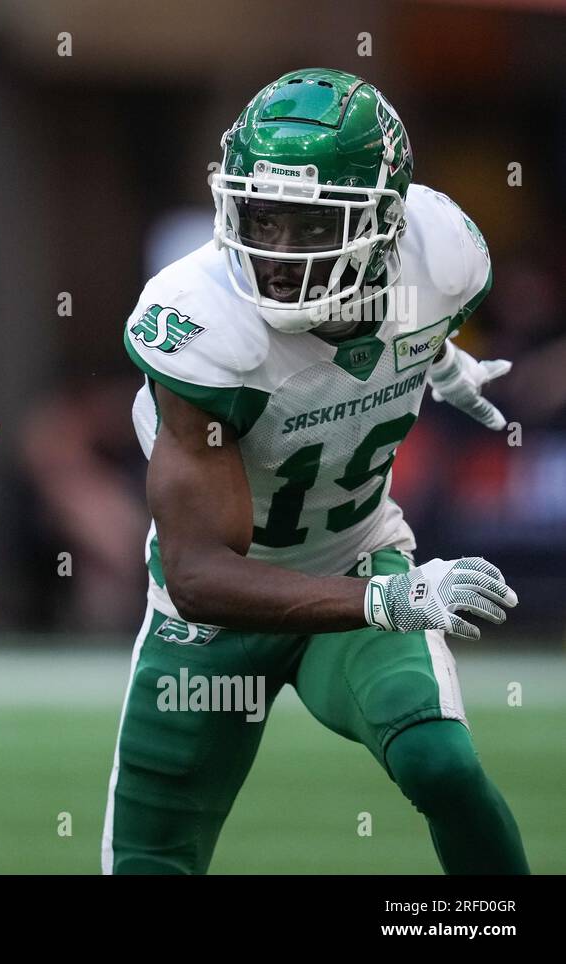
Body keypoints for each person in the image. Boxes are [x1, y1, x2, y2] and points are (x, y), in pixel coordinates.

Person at [103, 70, 527, 874]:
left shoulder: (440, 255)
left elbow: (402, 310)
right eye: (263, 219)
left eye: (311, 226)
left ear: (385, 223)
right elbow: (199, 575)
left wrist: (433, 360)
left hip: (357, 550)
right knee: (151, 863)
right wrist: (392, 598)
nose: (278, 254)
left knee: (441, 763)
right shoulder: (202, 322)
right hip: (220, 613)